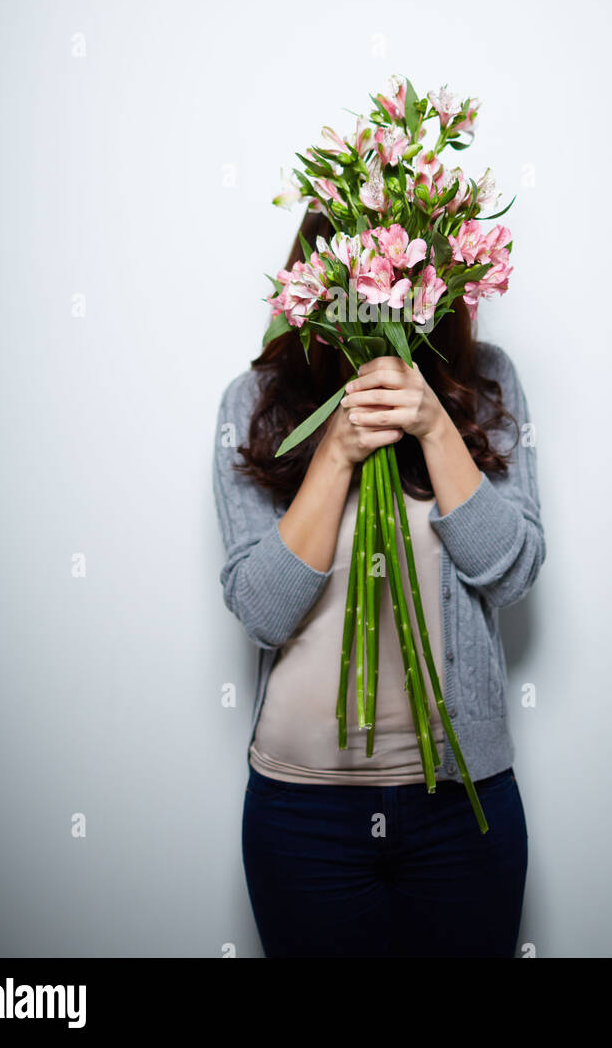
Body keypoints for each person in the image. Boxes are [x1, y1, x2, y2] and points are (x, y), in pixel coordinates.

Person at [212, 207, 546, 958]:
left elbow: (514, 571)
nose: (379, 291)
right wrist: (334, 452)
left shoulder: (487, 382)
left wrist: (432, 426)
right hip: (302, 815)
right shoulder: (255, 401)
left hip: (462, 808)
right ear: (318, 276)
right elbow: (261, 610)